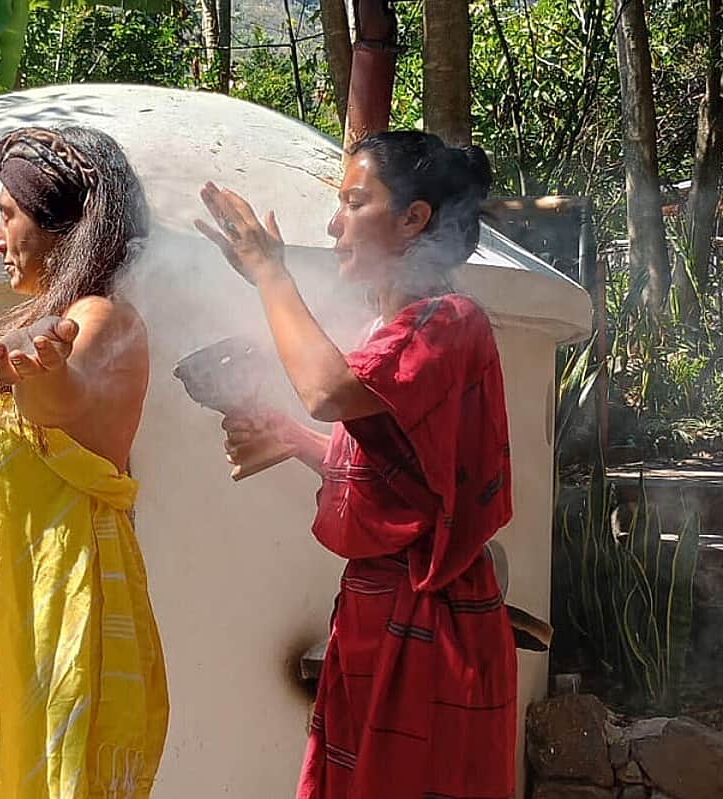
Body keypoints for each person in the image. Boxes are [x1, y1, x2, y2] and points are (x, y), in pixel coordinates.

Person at [196, 130, 517, 799]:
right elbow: (401, 477)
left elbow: (327, 391)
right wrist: (289, 438)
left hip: (431, 625)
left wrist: (270, 272)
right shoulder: (390, 328)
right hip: (377, 610)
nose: (334, 223)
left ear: (413, 218)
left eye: (354, 202)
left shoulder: (450, 321)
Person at [0, 126, 168, 799]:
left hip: (63, 617)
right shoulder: (55, 320)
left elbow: (66, 403)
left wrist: (42, 372)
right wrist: (36, 367)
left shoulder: (102, 317)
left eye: (7, 216)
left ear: (58, 228)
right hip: (15, 621)